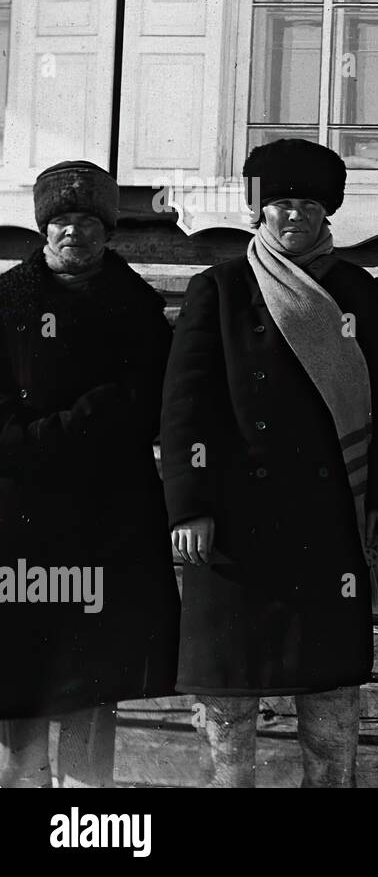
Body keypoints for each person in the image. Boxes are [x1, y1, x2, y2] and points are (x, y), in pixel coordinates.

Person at [161, 139, 378, 787]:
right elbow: (186, 410)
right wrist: (189, 506)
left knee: (329, 702)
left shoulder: (358, 291)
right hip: (236, 533)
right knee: (229, 709)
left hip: (329, 530)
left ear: (328, 213)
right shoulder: (218, 291)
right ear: (259, 212)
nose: (293, 215)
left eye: (306, 204)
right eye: (279, 204)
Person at [0, 160, 179, 787]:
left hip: (108, 516)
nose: (74, 233)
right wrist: (40, 437)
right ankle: (22, 785)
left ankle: (83, 803)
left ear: (107, 233)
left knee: (91, 667)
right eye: (62, 221)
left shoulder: (137, 310)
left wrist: (55, 430)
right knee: (19, 668)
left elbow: (147, 402)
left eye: (87, 222)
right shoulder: (5, 304)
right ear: (44, 231)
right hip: (19, 516)